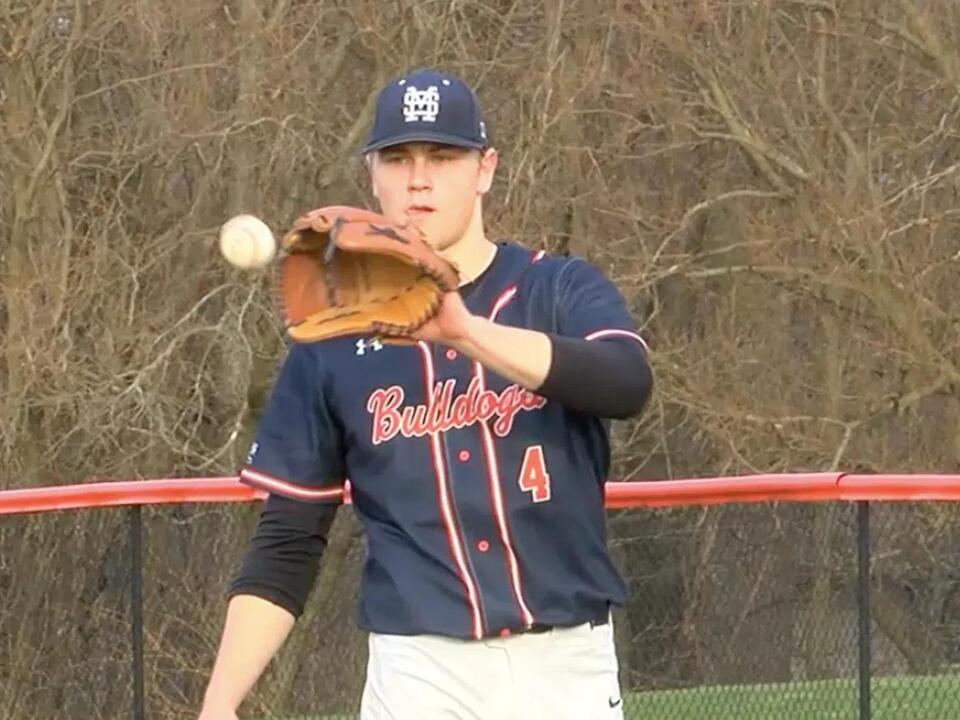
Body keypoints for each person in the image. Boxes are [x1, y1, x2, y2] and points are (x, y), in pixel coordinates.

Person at [197, 68, 653, 720]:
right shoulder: (331, 338)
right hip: (420, 673)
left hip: (565, 665)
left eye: (443, 156)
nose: (418, 178)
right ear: (371, 174)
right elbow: (287, 542)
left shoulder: (557, 290)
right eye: (399, 157)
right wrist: (220, 700)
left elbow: (625, 381)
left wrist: (467, 334)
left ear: (485, 169)